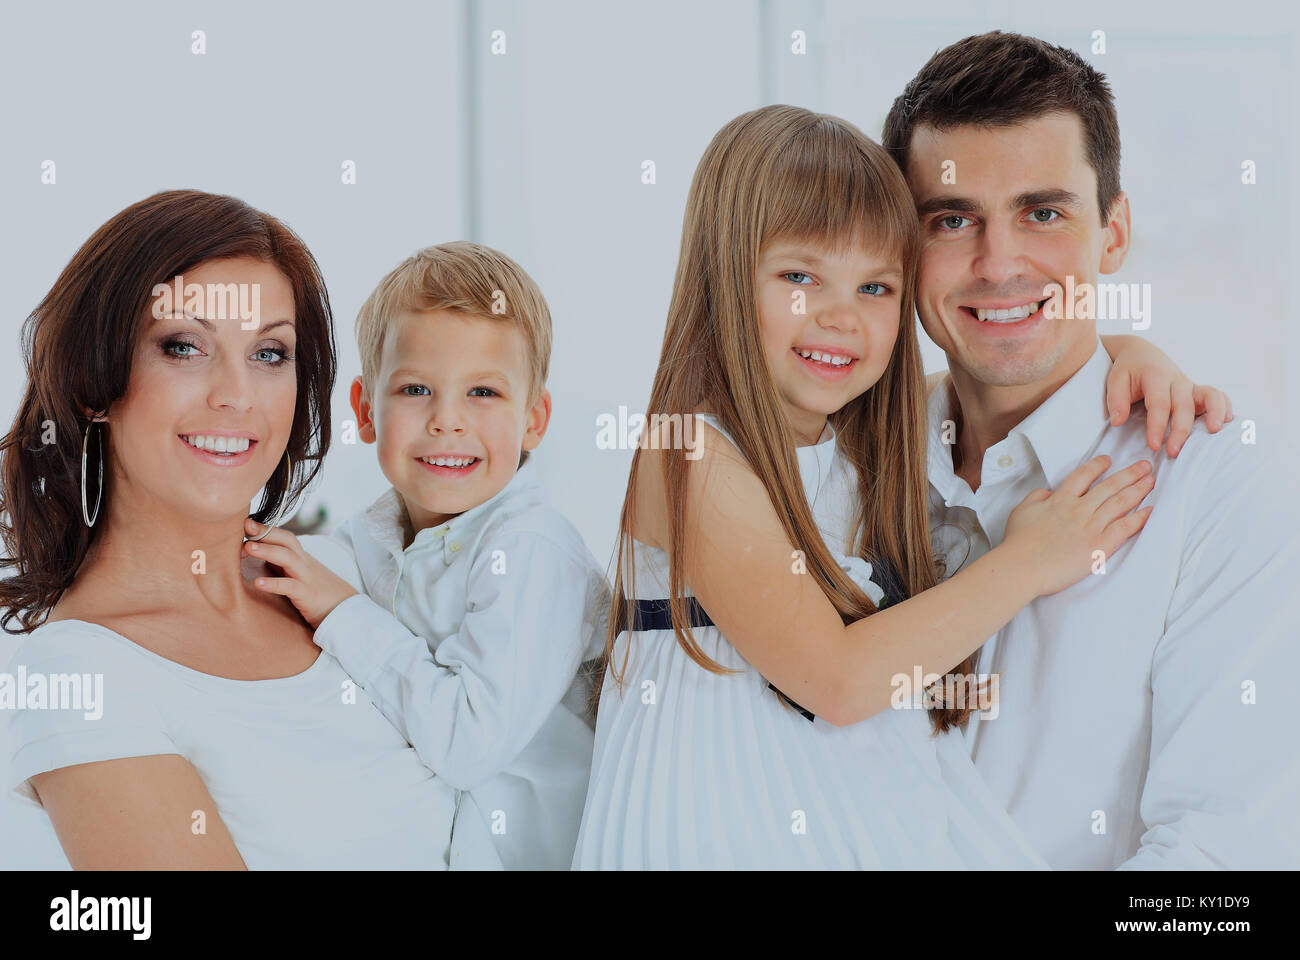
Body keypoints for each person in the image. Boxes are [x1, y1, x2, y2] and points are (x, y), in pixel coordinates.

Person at [572, 104, 1230, 869]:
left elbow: (1006, 362)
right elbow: (839, 681)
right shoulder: (688, 454)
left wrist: (1124, 350)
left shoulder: (856, 443)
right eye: (798, 277)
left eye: (877, 289)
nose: (840, 319)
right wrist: (1029, 562)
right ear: (723, 275)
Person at [881, 30, 1299, 869]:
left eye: (1044, 213)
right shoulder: (850, 466)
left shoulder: (1219, 485)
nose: (1000, 265)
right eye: (953, 219)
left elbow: (1220, 865)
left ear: (1113, 233)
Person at [1, 190, 460, 868]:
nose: (236, 395)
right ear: (90, 383)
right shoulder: (83, 677)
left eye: (270, 353)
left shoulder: (344, 574)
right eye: (184, 346)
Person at [244, 242, 609, 870]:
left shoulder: (532, 551)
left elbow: (469, 744)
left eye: (484, 393)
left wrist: (344, 612)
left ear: (534, 420)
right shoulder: (374, 539)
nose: (447, 420)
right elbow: (316, 572)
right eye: (416, 389)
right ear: (364, 411)